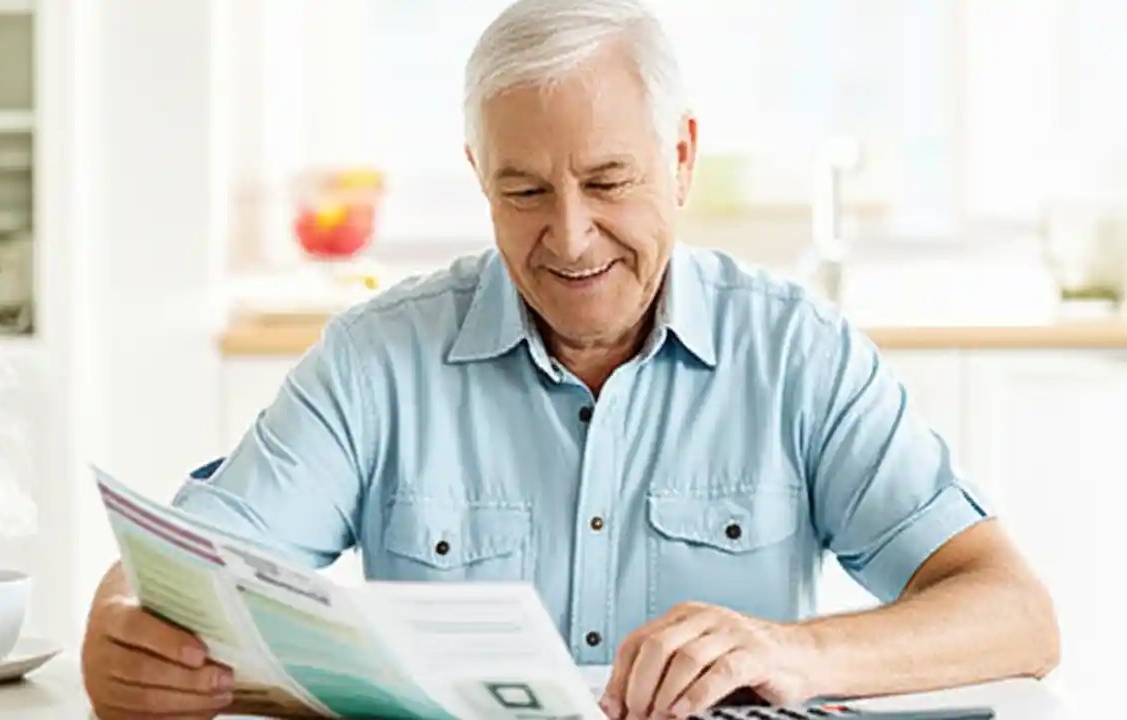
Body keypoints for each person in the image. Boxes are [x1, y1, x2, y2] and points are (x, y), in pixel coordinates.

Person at [81, 0, 1059, 718]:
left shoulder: (796, 355)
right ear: (476, 177)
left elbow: (1012, 613)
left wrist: (791, 652)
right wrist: (125, 623)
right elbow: (179, 571)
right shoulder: (376, 360)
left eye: (606, 180)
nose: (571, 236)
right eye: (522, 191)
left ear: (679, 158)